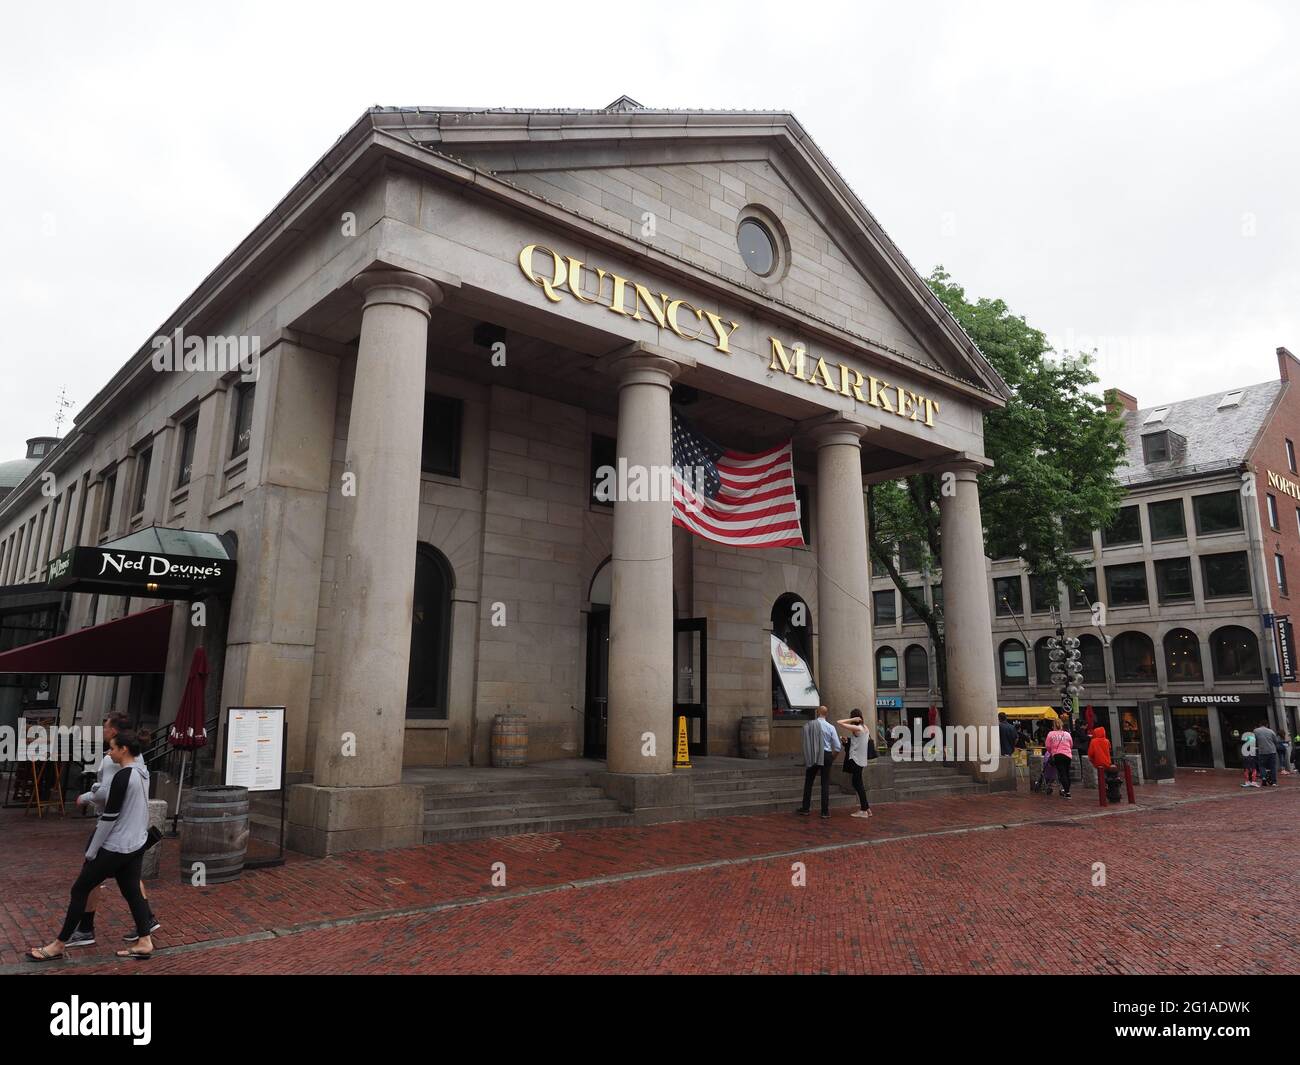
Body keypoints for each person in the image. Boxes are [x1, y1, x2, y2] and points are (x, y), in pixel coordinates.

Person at [28, 730, 158, 961]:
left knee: (80, 889)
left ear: (124, 750)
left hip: (116, 845)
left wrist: (92, 850)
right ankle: (145, 940)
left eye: (113, 748)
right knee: (131, 891)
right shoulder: (143, 772)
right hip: (135, 842)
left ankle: (59, 944)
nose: (109, 752)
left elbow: (109, 817)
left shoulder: (124, 775)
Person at [65, 715, 158, 948]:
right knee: (130, 882)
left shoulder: (117, 761)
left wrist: (87, 795)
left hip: (116, 833)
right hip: (132, 833)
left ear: (115, 734)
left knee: (86, 883)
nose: (108, 749)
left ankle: (81, 931)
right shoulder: (138, 759)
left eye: (105, 728)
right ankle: (146, 925)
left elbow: (109, 802)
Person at [797, 705, 841, 819]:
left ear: (817, 712)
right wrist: (831, 758)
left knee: (809, 782)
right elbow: (837, 747)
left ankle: (805, 808)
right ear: (826, 714)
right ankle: (825, 811)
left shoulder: (810, 725)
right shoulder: (830, 727)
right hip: (826, 754)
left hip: (814, 754)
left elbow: (805, 740)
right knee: (825, 783)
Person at [837, 711, 873, 819]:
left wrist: (852, 720)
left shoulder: (858, 728)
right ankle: (867, 808)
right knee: (858, 783)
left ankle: (863, 810)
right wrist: (847, 741)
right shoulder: (865, 727)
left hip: (857, 760)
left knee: (858, 784)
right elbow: (858, 741)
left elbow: (839, 722)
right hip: (860, 760)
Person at [1043, 716, 1074, 799]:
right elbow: (1071, 744)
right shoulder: (1067, 734)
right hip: (1067, 755)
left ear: (1053, 725)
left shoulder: (1051, 734)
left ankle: (1067, 792)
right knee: (1067, 773)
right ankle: (1067, 789)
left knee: (1062, 773)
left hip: (1057, 755)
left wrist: (1051, 752)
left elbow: (1048, 746)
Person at [1254, 721, 1280, 787]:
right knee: (1273, 767)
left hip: (1262, 751)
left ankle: (1264, 778)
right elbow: (1276, 741)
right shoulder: (1271, 731)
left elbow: (1253, 739)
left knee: (1262, 766)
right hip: (1272, 751)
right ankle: (1274, 782)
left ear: (1260, 724)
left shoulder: (1256, 731)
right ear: (1267, 725)